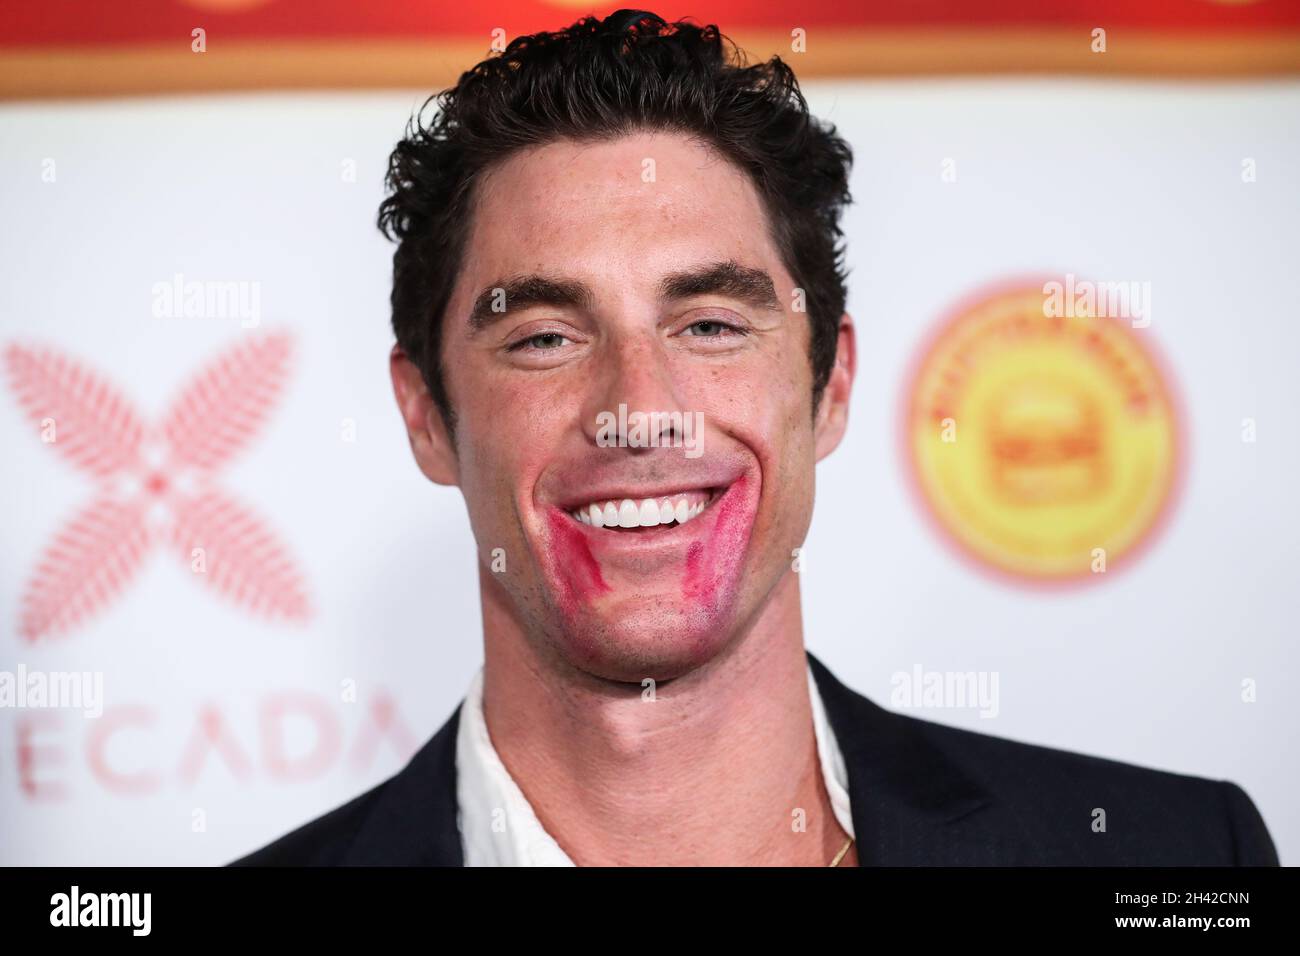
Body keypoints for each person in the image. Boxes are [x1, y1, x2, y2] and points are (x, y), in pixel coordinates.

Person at [232, 10, 1278, 867]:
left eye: (711, 325)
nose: (639, 407)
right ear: (426, 415)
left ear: (829, 386)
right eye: (546, 336)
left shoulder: (1174, 859)